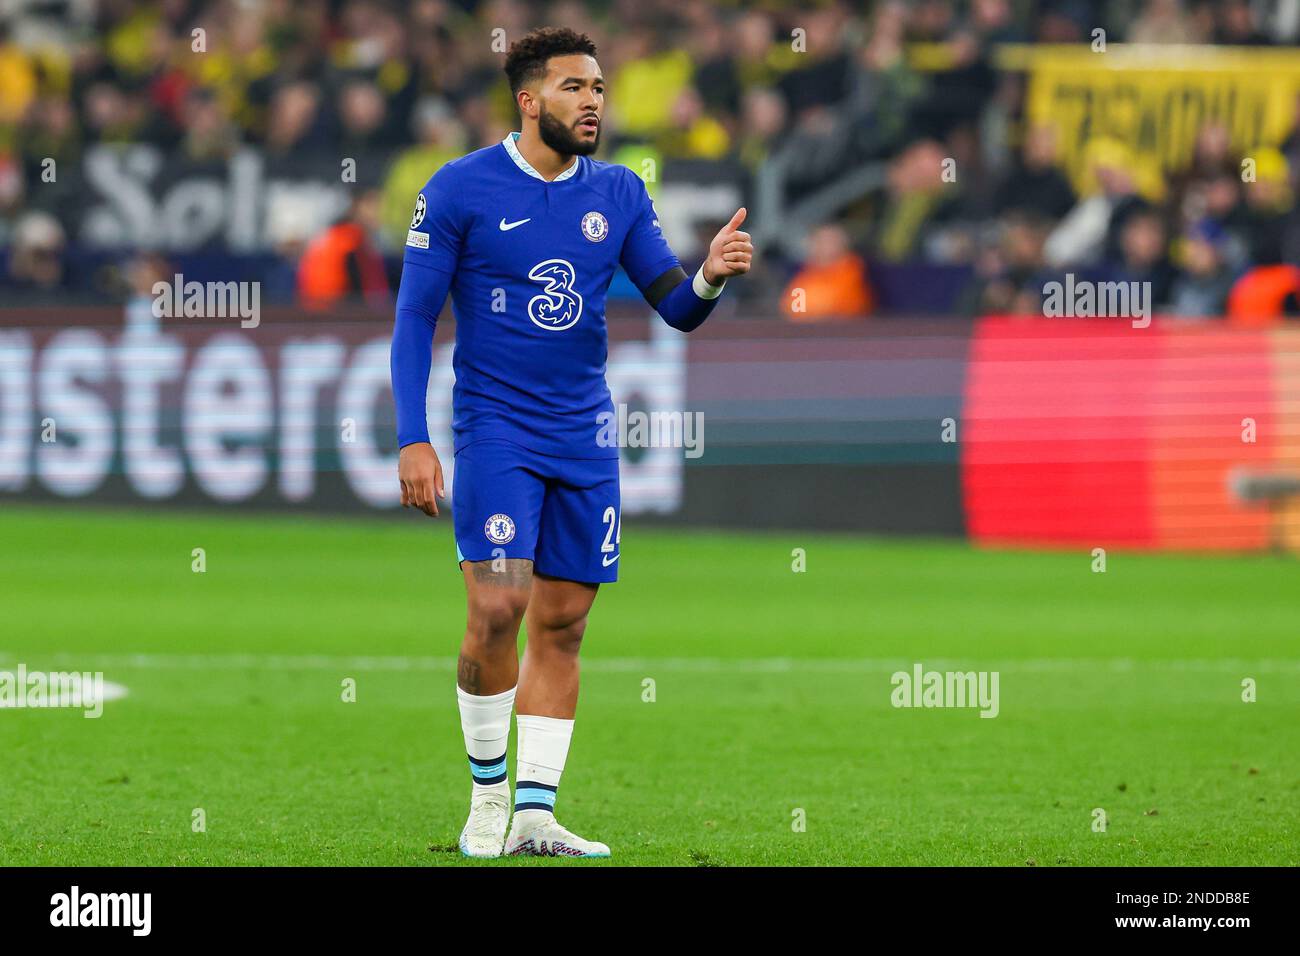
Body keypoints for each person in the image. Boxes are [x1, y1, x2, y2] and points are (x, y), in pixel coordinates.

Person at [389, 27, 752, 858]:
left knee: (564, 622)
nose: (593, 101)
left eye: (598, 88)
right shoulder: (459, 189)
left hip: (585, 434)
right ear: (528, 100)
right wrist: (413, 437)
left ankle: (534, 814)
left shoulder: (620, 192)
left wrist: (711, 274)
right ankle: (485, 800)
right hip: (496, 430)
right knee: (495, 606)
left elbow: (677, 306)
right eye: (573, 88)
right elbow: (414, 316)